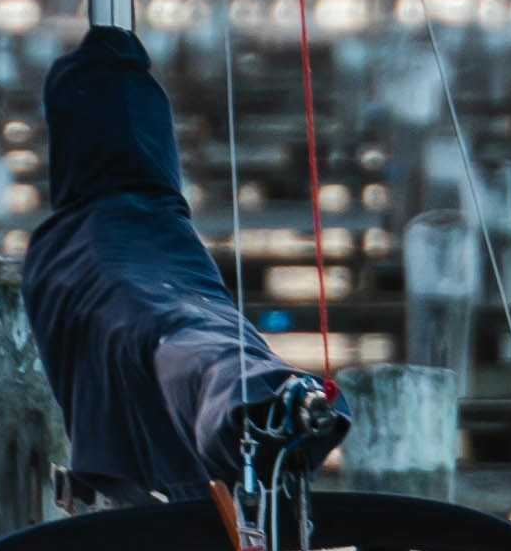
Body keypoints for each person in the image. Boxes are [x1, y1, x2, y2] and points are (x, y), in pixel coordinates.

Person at [22, 25, 345, 515]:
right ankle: (251, 402)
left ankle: (253, 401)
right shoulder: (100, 242)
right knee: (178, 328)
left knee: (190, 329)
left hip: (170, 447)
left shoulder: (60, 246)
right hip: (184, 395)